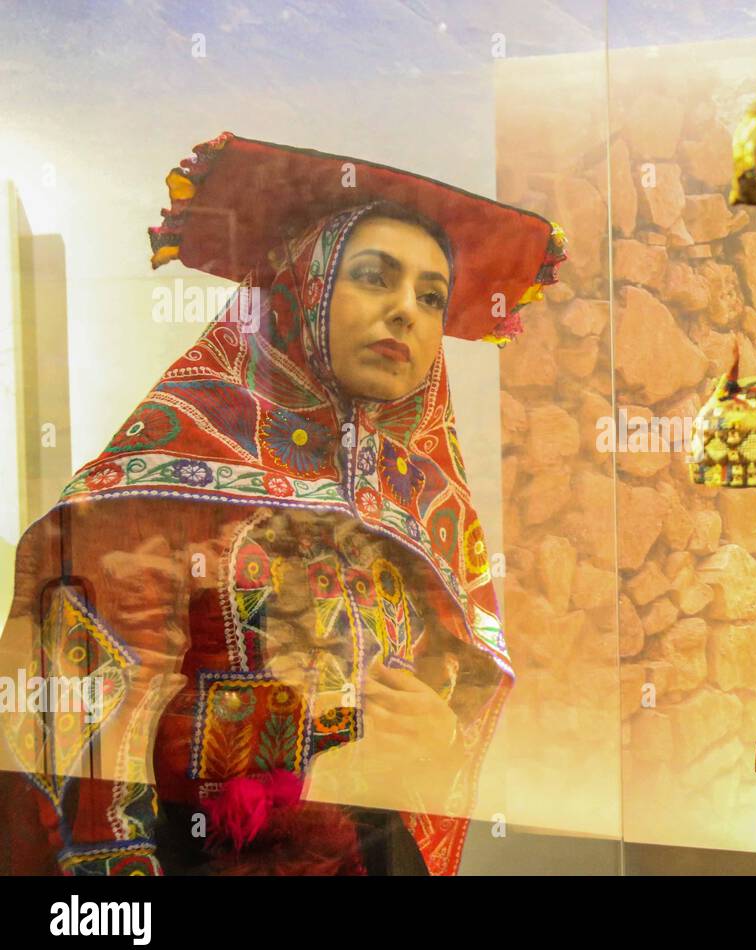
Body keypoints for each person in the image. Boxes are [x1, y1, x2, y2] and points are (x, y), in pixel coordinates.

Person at [0, 132, 566, 875]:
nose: (407, 311)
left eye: (432, 296)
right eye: (374, 277)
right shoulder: (152, 500)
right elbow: (79, 749)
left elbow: (436, 730)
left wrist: (432, 751)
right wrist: (313, 773)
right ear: (303, 288)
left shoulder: (418, 524)